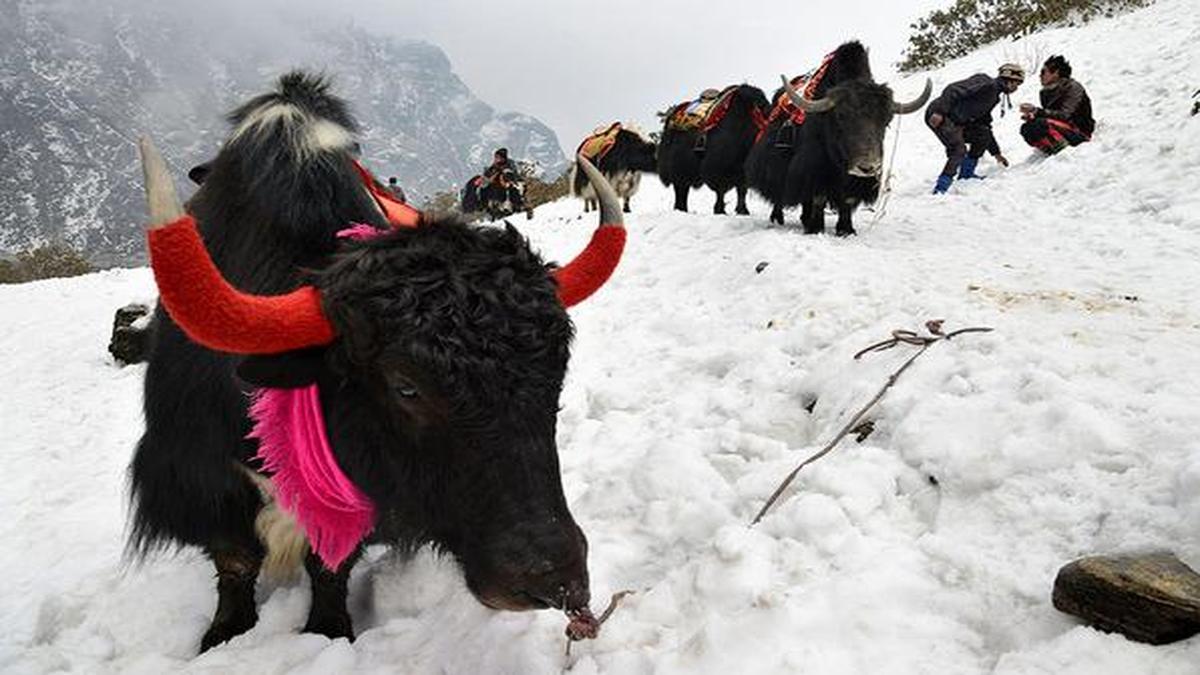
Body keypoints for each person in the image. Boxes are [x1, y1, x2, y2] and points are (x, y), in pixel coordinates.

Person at [926, 63, 1025, 194]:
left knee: (982, 134)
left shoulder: (994, 97)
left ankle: (966, 174)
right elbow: (952, 89)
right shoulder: (985, 82)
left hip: (957, 120)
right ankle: (941, 188)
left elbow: (985, 125)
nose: (1016, 88)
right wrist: (939, 112)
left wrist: (996, 153)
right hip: (939, 114)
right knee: (958, 149)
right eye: (1016, 84)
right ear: (1009, 79)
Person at [1019, 55, 1094, 155]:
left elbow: (1065, 115)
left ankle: (1062, 149)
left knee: (1040, 125)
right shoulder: (1045, 93)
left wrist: (1037, 111)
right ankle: (1050, 148)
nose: (1040, 76)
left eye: (1043, 72)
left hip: (1079, 130)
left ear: (1056, 73)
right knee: (1027, 128)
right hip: (1061, 127)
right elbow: (1050, 115)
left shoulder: (1073, 87)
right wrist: (1034, 115)